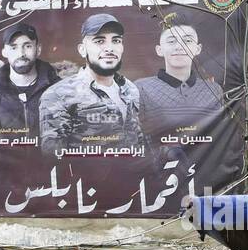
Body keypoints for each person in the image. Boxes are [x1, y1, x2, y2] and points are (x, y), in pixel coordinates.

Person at [39, 14, 143, 157]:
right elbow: (53, 158)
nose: (109, 48)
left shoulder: (130, 89)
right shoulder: (59, 94)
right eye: (99, 41)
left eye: (116, 40)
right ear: (82, 49)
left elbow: (138, 142)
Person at [135, 18, 224, 155]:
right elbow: (134, 139)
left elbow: (220, 138)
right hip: (157, 171)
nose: (179, 46)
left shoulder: (213, 90)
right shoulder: (140, 88)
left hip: (205, 171)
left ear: (197, 49)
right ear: (159, 50)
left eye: (187, 41)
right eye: (171, 41)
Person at [0, 22, 60, 137]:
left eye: (28, 46)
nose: (21, 53)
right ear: (4, 52)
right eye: (14, 47)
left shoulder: (60, 90)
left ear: (38, 49)